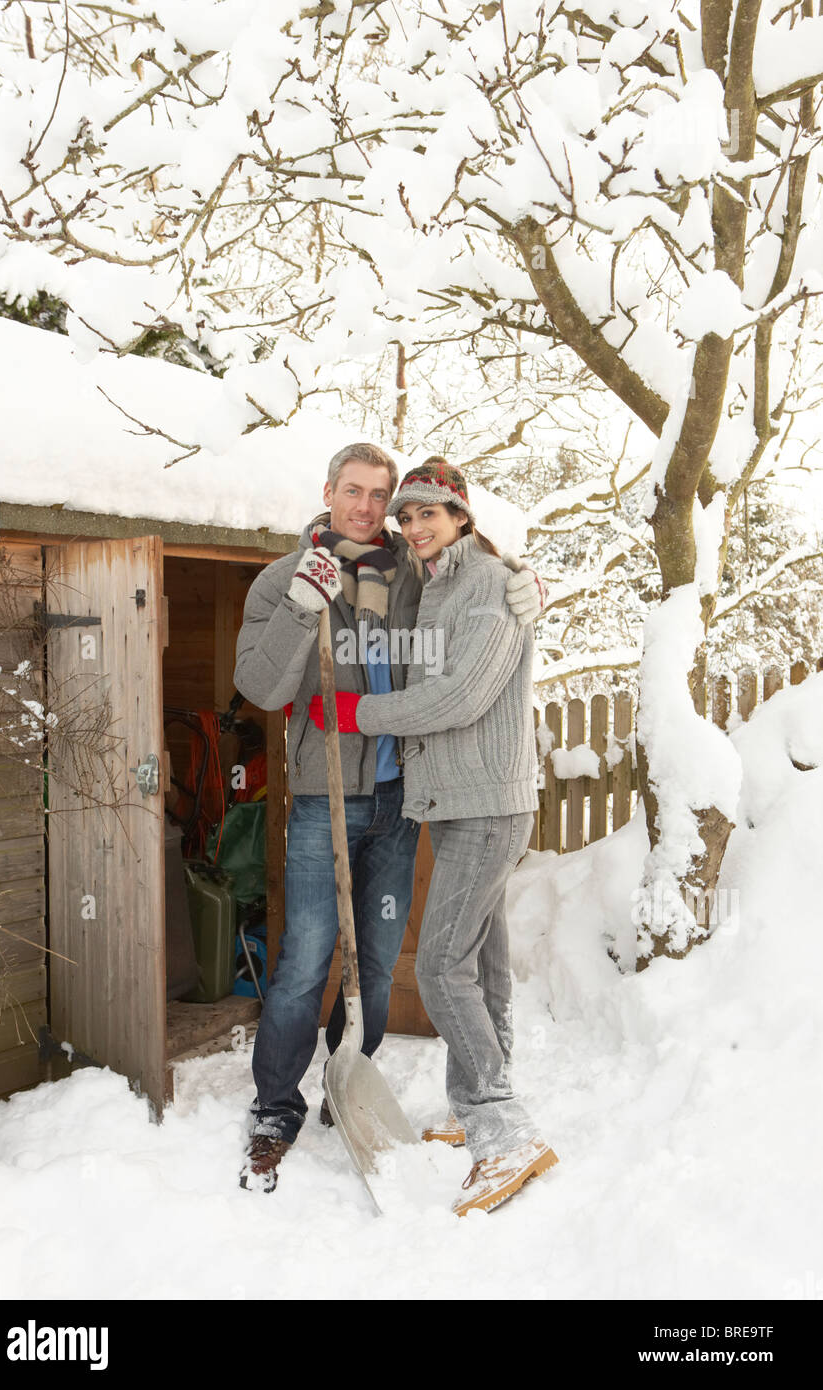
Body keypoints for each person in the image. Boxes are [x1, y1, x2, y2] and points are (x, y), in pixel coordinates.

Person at [233, 443, 545, 1192]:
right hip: (325, 799)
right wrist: (302, 607)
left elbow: (473, 585)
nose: (370, 509)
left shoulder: (412, 571)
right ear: (328, 492)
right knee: (306, 960)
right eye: (356, 492)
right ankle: (275, 1106)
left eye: (382, 496)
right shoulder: (283, 578)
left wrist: (525, 584)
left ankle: (353, 1080)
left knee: (376, 961)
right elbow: (261, 687)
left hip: (401, 798)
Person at [308, 458, 558, 1216]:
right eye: (408, 515)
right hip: (456, 802)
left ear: (462, 518)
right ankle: (476, 1100)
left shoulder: (488, 585)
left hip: (486, 805)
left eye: (430, 513)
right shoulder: (438, 584)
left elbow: (460, 696)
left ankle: (502, 1130)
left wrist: (358, 716)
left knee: (444, 966)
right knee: (482, 961)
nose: (415, 526)